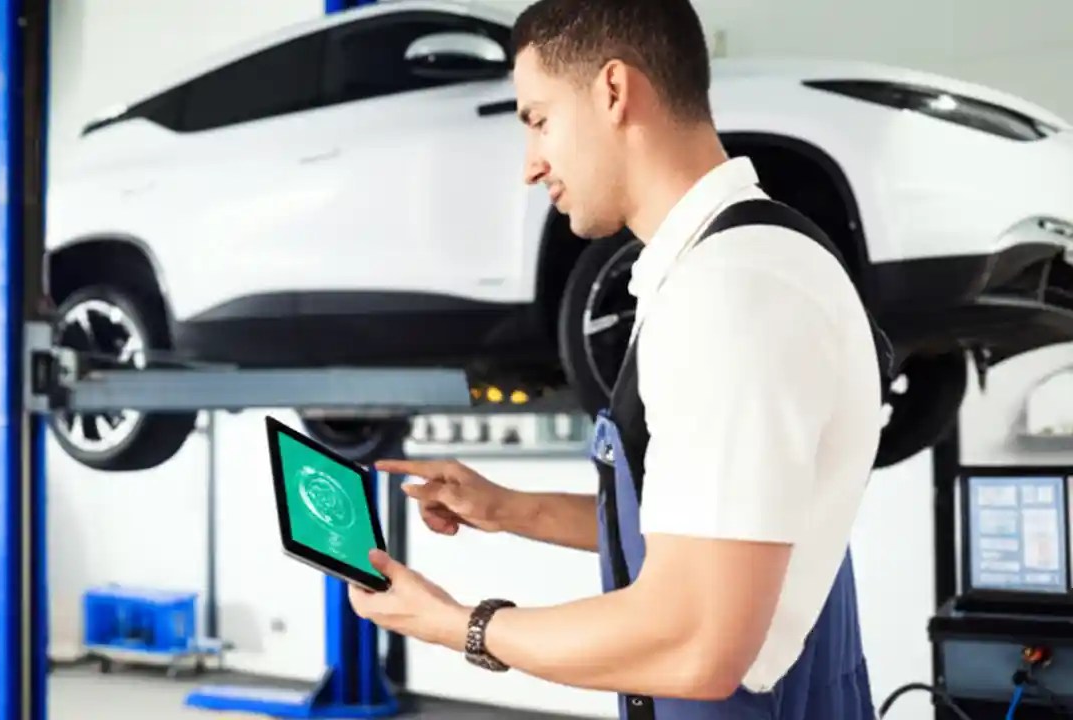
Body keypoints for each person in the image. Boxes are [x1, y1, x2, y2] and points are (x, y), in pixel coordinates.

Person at [347, 0, 889, 718]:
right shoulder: (723, 265)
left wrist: (458, 626)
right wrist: (512, 509)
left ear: (612, 91)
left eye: (538, 119)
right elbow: (700, 526)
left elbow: (696, 642)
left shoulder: (734, 293)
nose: (530, 166)